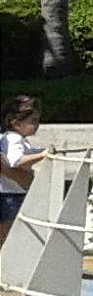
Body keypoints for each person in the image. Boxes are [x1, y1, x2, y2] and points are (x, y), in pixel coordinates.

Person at [0, 97, 44, 246]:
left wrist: (41, 151)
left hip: (12, 194)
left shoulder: (17, 139)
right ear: (16, 123)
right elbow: (16, 161)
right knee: (9, 236)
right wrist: (43, 155)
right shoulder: (14, 140)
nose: (36, 125)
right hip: (10, 196)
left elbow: (29, 152)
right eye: (32, 121)